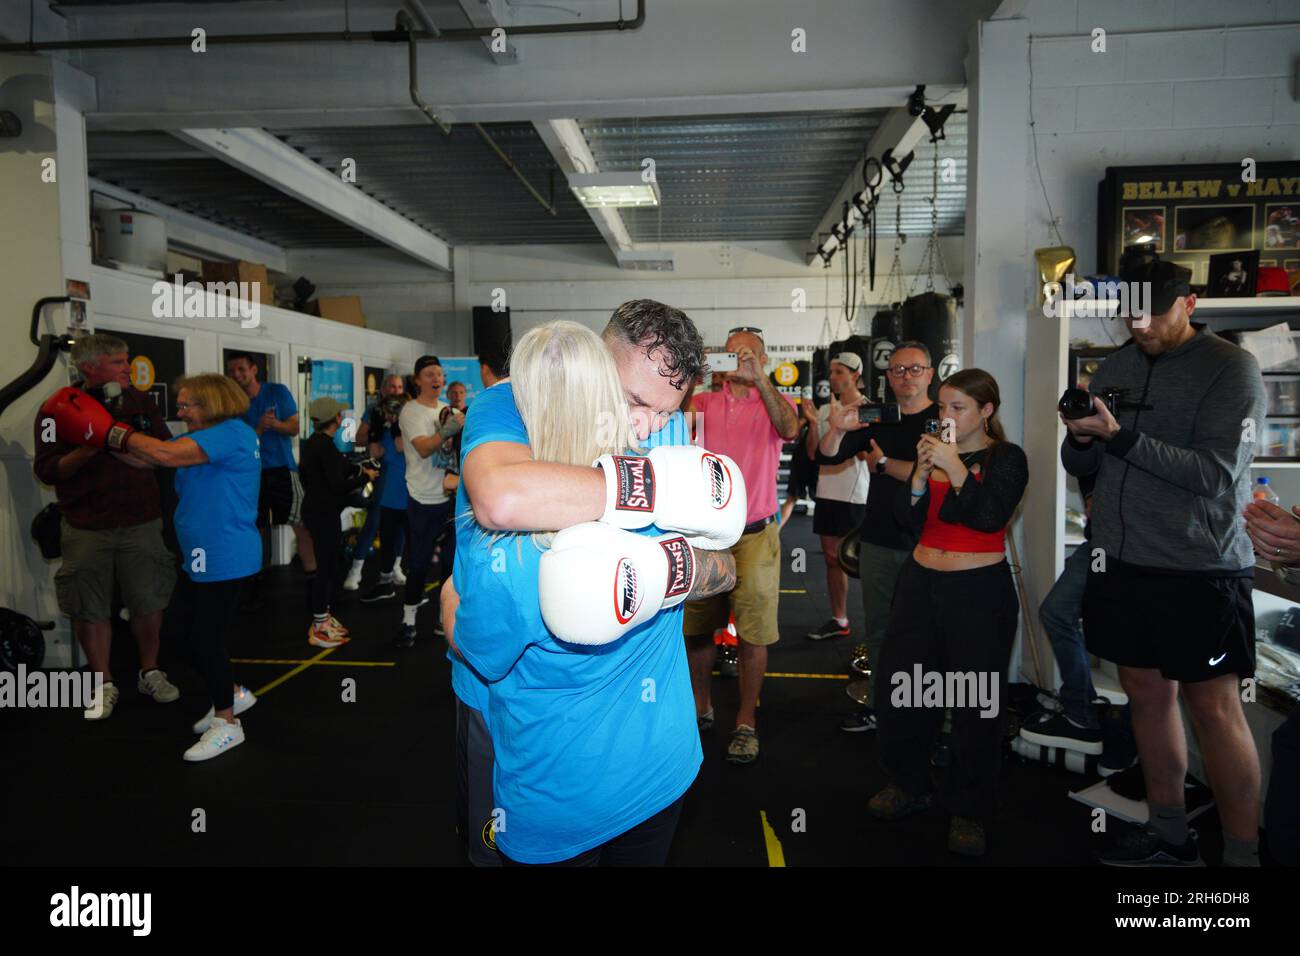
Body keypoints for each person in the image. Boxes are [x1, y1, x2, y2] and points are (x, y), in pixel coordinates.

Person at [451, 312, 740, 866]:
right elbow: (502, 499)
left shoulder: (658, 420)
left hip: (640, 760)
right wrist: (657, 496)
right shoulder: (507, 402)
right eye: (636, 401)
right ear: (591, 370)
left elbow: (723, 559)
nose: (649, 428)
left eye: (666, 411)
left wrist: (656, 571)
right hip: (519, 726)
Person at [1061, 258, 1266, 867]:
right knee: (1144, 694)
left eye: (1151, 312)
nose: (1138, 323)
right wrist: (1080, 440)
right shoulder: (1117, 365)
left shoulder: (1233, 369)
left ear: (1190, 304)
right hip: (1123, 562)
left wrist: (1118, 436)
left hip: (1199, 567)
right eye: (1128, 312)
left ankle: (1241, 856)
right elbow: (1086, 469)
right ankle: (1171, 833)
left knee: (1213, 708)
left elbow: (1216, 474)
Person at [40, 374, 262, 760]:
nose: (179, 410)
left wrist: (111, 431)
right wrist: (98, 440)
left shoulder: (231, 434)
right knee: (175, 634)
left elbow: (164, 456)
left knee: (206, 639)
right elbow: (147, 457)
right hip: (200, 555)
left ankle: (227, 723)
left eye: (187, 404)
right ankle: (230, 692)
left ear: (210, 405)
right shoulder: (198, 439)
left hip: (225, 554)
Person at [867, 369, 1027, 858]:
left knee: (975, 702)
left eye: (958, 408)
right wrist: (918, 476)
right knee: (907, 688)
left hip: (978, 590)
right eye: (942, 408)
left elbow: (986, 516)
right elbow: (907, 520)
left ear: (986, 411)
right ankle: (909, 783)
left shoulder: (1006, 458)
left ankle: (969, 808)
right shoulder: (933, 455)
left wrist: (954, 467)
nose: (946, 417)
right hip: (921, 583)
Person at [32, 334, 179, 720]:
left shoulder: (142, 403)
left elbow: (165, 449)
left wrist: (128, 441)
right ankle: (102, 683)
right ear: (89, 367)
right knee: (88, 604)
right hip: (85, 523)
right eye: (117, 362)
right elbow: (46, 468)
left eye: (126, 360)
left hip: (141, 520)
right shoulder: (53, 411)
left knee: (148, 599)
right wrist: (90, 444)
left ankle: (150, 670)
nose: (127, 368)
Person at [684, 326, 800, 764]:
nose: (741, 360)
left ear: (765, 360)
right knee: (697, 627)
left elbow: (789, 428)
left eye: (751, 354)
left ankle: (746, 720)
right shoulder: (703, 403)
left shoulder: (776, 406)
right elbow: (672, 421)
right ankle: (702, 707)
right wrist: (694, 377)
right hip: (706, 535)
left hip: (755, 532)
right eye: (733, 355)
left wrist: (760, 380)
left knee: (754, 633)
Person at [816, 341, 939, 732]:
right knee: (881, 630)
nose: (907, 376)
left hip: (933, 544)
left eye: (915, 369)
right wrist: (837, 426)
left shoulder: (944, 418)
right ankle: (881, 707)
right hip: (881, 540)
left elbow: (938, 474)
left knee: (930, 632)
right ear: (888, 376)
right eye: (899, 370)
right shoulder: (876, 417)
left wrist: (884, 464)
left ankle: (930, 715)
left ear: (930, 374)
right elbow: (827, 456)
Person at [225, 353, 315, 607]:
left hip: (282, 470)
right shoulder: (232, 403)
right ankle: (254, 581)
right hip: (250, 473)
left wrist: (274, 423)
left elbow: (295, 428)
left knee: (301, 525)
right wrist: (259, 429)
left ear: (254, 370)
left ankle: (313, 580)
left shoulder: (276, 391)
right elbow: (236, 442)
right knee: (255, 529)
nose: (237, 374)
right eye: (232, 371)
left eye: (241, 369)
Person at [395, 356, 463, 648]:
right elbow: (423, 449)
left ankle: (442, 619)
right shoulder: (411, 412)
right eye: (429, 374)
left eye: (439, 373)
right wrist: (449, 430)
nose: (436, 378)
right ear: (417, 380)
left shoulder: (446, 409)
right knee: (420, 565)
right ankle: (408, 622)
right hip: (423, 499)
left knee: (450, 565)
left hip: (449, 497)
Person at [299, 397, 378, 647]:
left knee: (328, 566)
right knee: (327, 569)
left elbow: (337, 468)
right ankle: (319, 625)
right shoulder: (324, 447)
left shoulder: (315, 443)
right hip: (322, 515)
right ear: (335, 419)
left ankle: (323, 616)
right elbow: (337, 483)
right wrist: (366, 477)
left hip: (317, 511)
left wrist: (357, 468)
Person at [805, 352, 870, 641]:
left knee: (866, 564)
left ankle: (876, 626)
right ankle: (839, 618)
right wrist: (812, 423)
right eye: (832, 372)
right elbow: (813, 453)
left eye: (841, 372)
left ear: (856, 375)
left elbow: (865, 453)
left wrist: (841, 429)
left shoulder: (868, 409)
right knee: (832, 559)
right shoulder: (823, 410)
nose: (834, 377)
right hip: (828, 491)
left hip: (856, 496)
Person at [344, 373, 407, 592]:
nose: (395, 390)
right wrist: (374, 433)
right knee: (374, 521)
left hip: (408, 473)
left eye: (399, 387)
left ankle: (396, 567)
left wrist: (396, 426)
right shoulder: (374, 411)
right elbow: (357, 438)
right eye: (391, 386)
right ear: (382, 390)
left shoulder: (409, 409)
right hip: (386, 472)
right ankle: (355, 570)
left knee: (401, 525)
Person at [359, 389, 411, 604]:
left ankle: (417, 591)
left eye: (392, 412)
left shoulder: (408, 431)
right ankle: (384, 583)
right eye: (386, 413)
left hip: (408, 491)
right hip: (389, 491)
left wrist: (397, 423)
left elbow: (400, 448)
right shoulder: (390, 429)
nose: (388, 416)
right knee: (387, 539)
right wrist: (376, 431)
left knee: (412, 541)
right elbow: (375, 453)